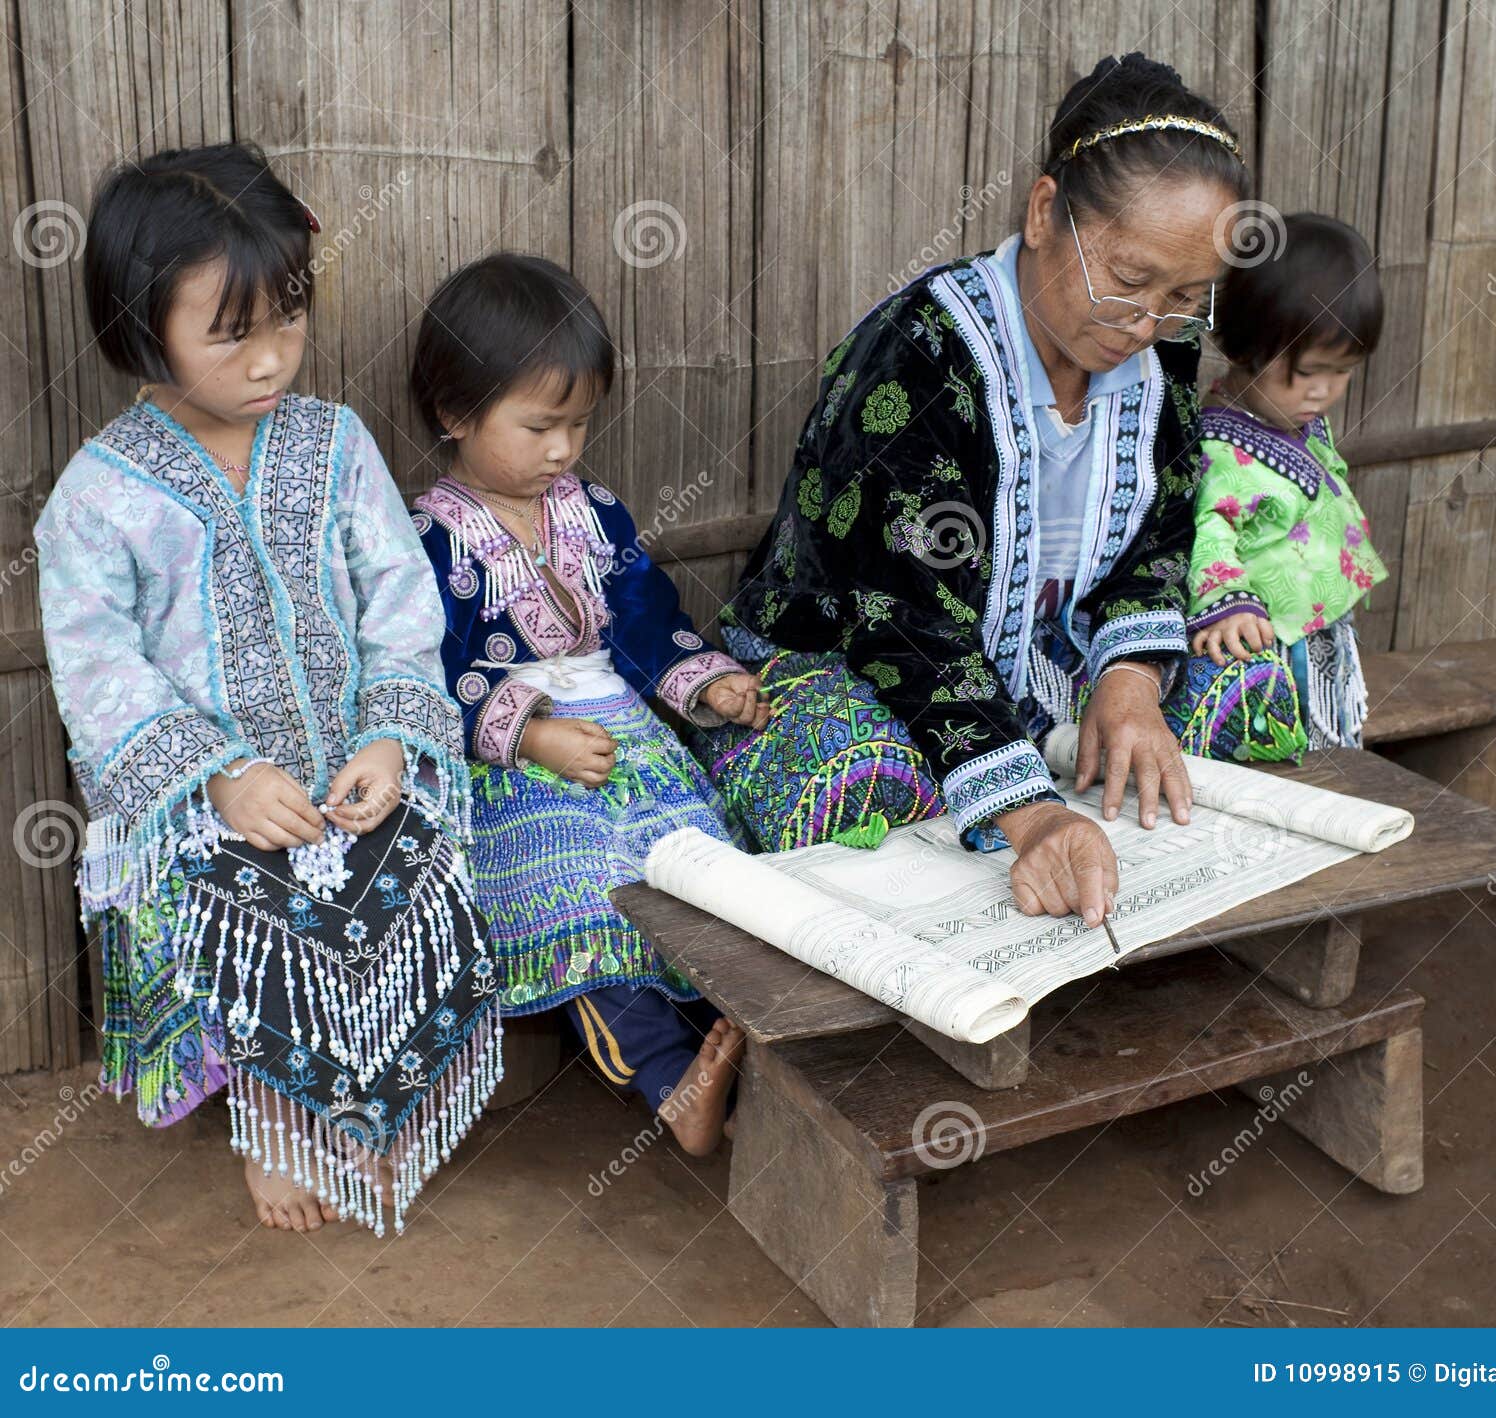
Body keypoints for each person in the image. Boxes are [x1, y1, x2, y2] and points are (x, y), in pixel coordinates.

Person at [696, 52, 1302, 922]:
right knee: (855, 780)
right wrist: (1031, 812)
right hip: (866, 662)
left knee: (1246, 688)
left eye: (1187, 295)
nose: (1149, 323)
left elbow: (1162, 536)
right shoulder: (921, 357)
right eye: (1129, 280)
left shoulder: (1161, 349)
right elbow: (903, 620)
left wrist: (1128, 686)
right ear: (1046, 211)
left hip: (1046, 663)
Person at [35, 143, 495, 1235]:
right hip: (206, 791)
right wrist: (224, 777)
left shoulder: (335, 444)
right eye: (230, 333)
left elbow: (398, 599)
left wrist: (389, 738)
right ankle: (280, 1112)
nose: (270, 357)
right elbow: (97, 668)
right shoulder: (99, 495)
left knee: (414, 848)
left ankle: (383, 1094)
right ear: (142, 328)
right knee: (252, 888)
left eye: (288, 319)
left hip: (351, 764)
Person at [409, 253, 764, 1155]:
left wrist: (704, 680)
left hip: (630, 738)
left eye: (578, 423)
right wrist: (530, 736)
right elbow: (426, 675)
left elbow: (644, 618)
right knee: (586, 896)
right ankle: (669, 1080)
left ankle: (758, 1050)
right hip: (518, 773)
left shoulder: (594, 512)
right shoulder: (424, 542)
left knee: (699, 864)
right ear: (455, 415)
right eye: (539, 426)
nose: (564, 449)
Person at [1187, 213, 1388, 748]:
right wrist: (1227, 600)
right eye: (1308, 371)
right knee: (1291, 755)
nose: (1323, 392)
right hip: (1270, 648)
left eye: (1342, 371)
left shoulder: (1293, 418)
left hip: (1319, 634)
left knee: (1332, 745)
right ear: (1245, 350)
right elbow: (1209, 529)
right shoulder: (1219, 449)